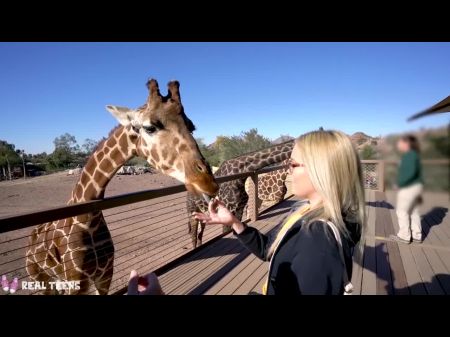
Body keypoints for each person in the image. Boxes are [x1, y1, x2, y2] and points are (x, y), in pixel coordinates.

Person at [129, 129, 365, 295]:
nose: (287, 169)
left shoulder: (318, 243)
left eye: (292, 164)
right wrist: (234, 223)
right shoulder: (307, 213)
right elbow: (267, 250)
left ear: (319, 170)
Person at [390, 135, 423, 244]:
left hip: (408, 187)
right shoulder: (414, 155)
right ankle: (417, 235)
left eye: (400, 142)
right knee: (414, 211)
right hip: (417, 187)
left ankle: (404, 236)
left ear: (406, 143)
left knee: (402, 211)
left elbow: (409, 173)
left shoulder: (409, 156)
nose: (398, 144)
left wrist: (399, 184)